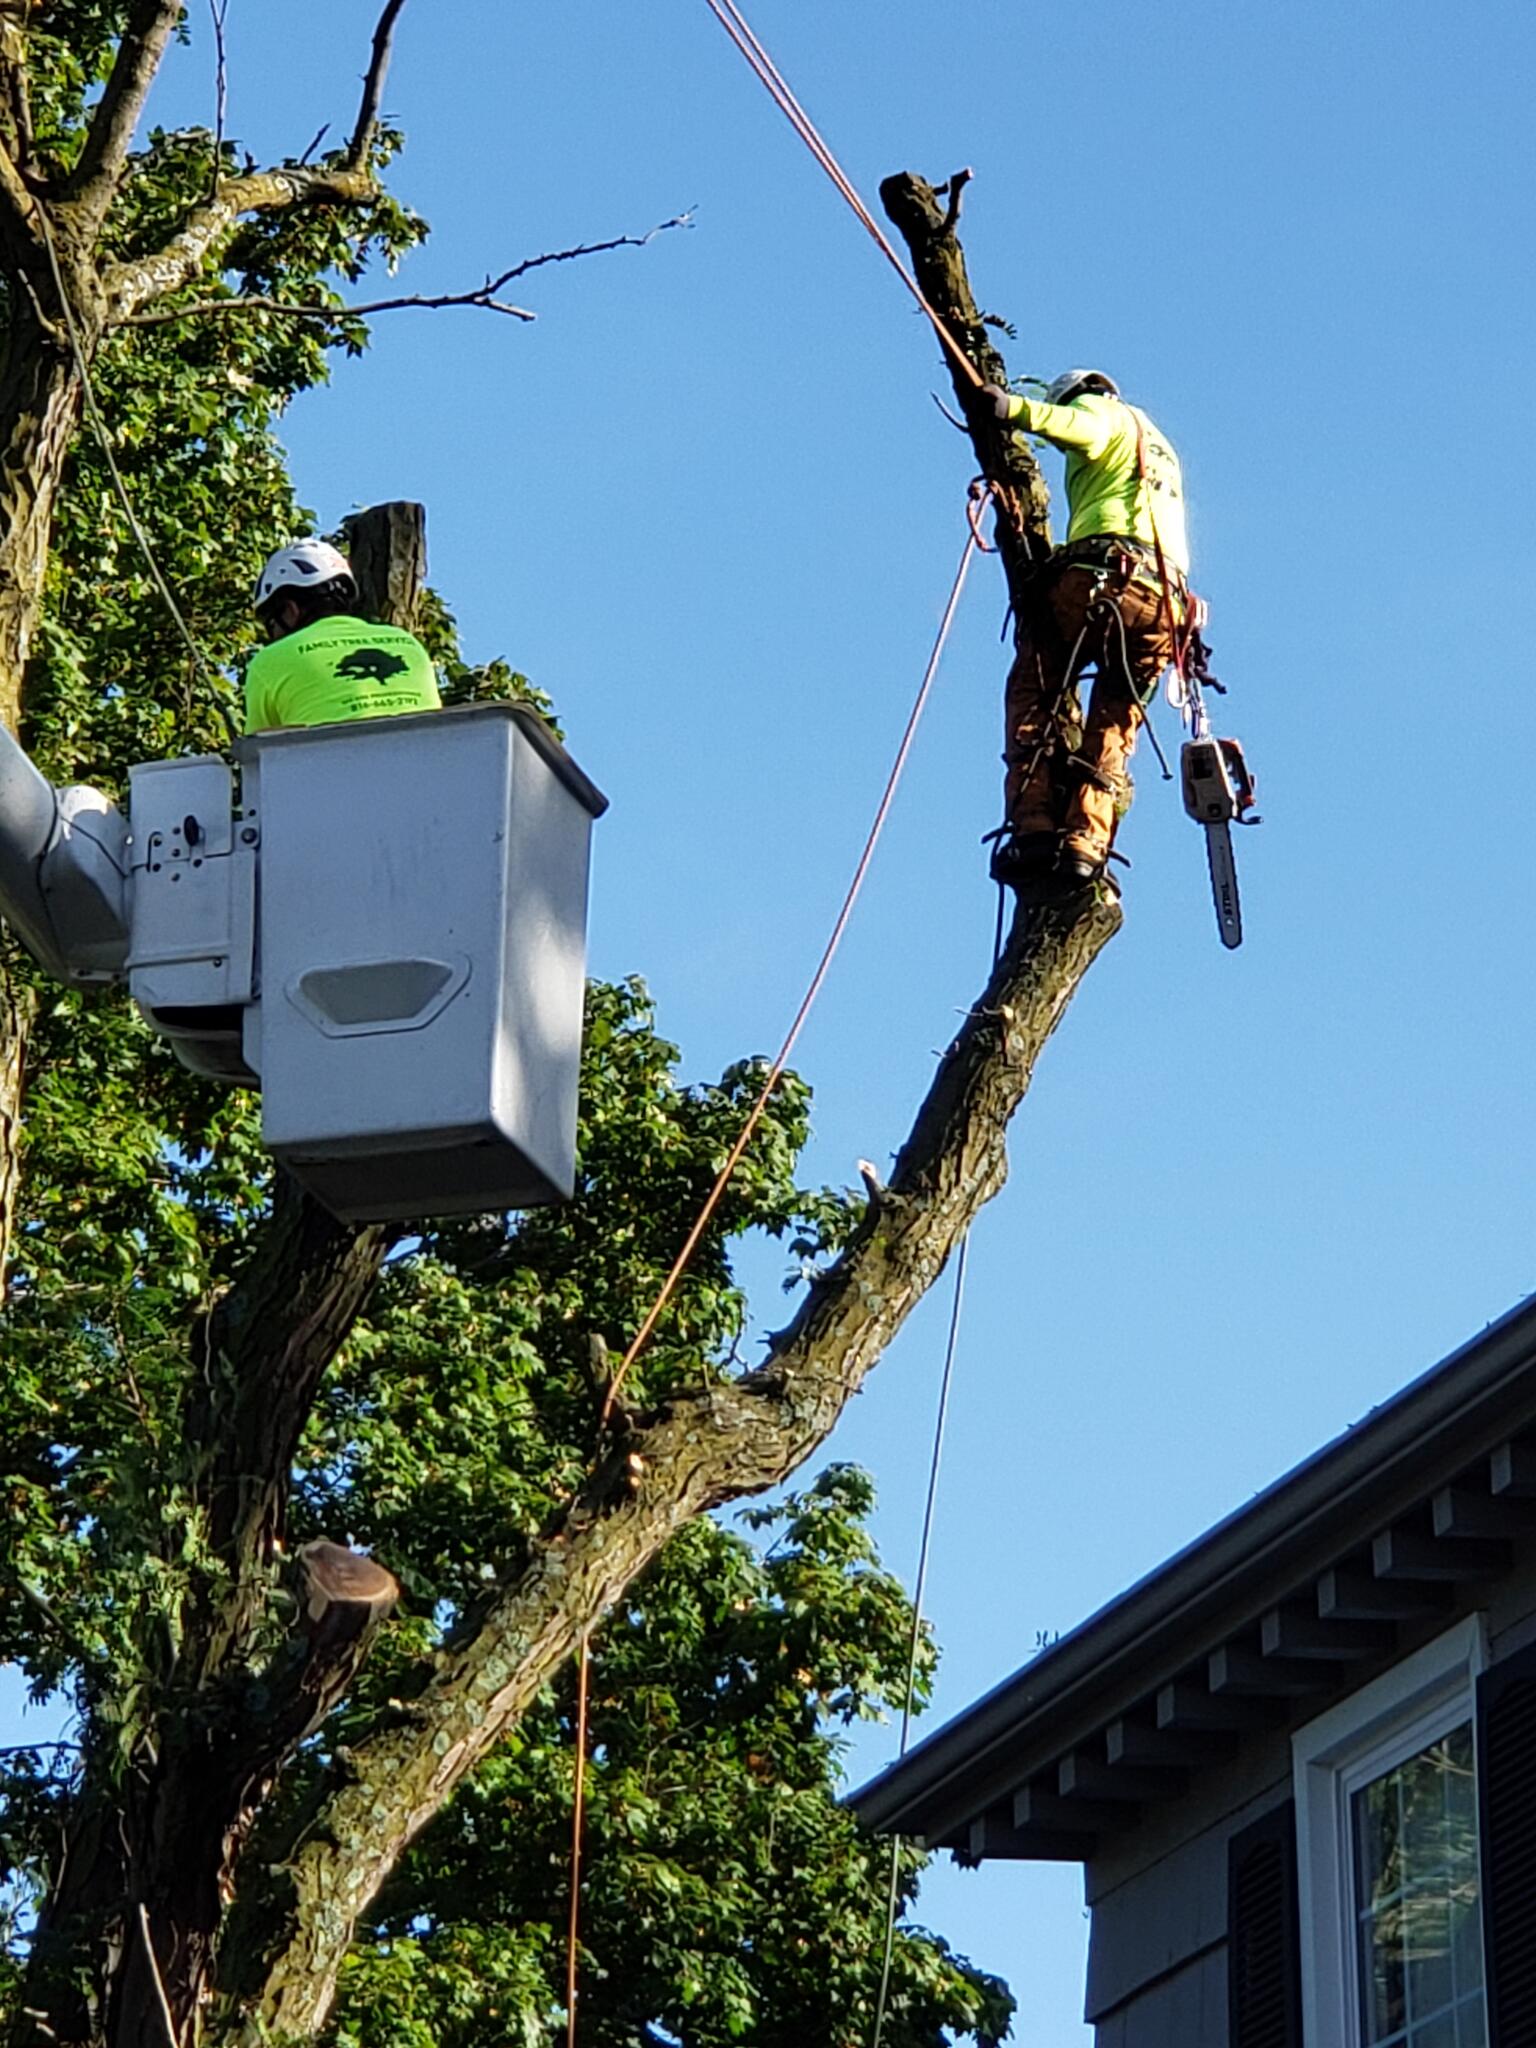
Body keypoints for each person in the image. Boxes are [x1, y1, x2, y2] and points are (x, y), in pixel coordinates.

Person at [977, 369, 1189, 886]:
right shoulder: (1157, 441)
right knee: (1115, 721)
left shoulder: (1101, 414)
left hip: (1101, 579)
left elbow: (1080, 428)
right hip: (1163, 604)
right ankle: (1085, 843)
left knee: (1036, 684)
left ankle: (1032, 828)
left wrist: (1011, 409)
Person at [244, 539, 442, 735]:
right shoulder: (408, 643)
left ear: (290, 610)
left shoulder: (270, 661)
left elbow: (259, 757)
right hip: (428, 761)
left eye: (271, 623)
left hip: (332, 763)